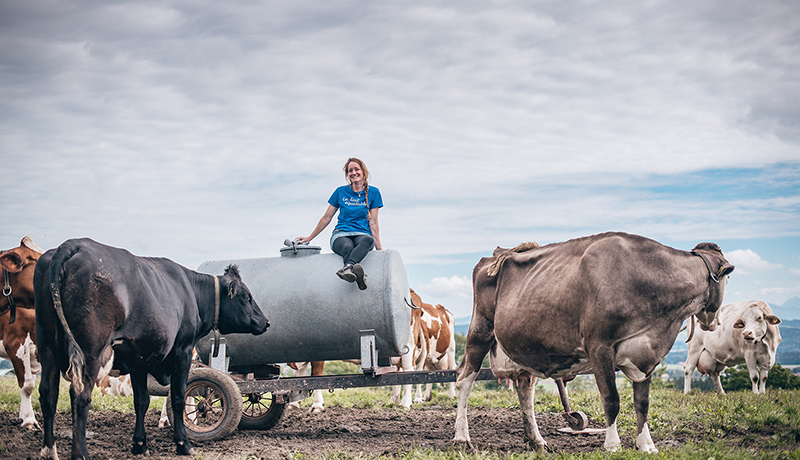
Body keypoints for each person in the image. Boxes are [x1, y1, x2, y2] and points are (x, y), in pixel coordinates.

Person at [297, 157, 383, 290]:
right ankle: (355, 272)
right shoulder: (340, 192)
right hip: (341, 234)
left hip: (362, 234)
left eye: (356, 169)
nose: (353, 172)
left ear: (363, 172)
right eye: (350, 170)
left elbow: (373, 222)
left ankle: (348, 268)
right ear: (347, 174)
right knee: (347, 247)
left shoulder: (374, 192)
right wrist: (310, 237)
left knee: (367, 241)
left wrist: (380, 249)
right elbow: (326, 217)